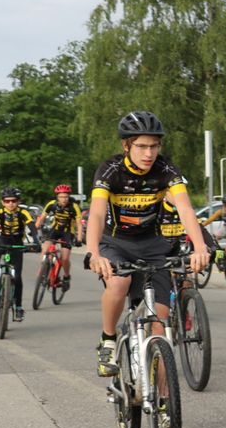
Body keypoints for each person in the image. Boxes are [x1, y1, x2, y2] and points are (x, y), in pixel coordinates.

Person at [86, 111, 210, 377]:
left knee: (159, 327)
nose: (149, 153)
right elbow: (96, 212)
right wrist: (94, 253)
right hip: (116, 243)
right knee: (119, 283)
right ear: (126, 145)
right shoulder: (110, 170)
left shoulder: (166, 170)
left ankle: (164, 406)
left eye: (154, 146)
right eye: (142, 146)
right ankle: (108, 338)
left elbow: (186, 209)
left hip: (155, 246)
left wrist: (200, 247)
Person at [0, 187, 39, 321]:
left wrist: (36, 241)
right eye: (7, 201)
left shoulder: (23, 213)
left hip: (17, 242)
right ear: (3, 202)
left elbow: (32, 227)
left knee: (17, 277)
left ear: (18, 201)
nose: (10, 203)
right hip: (4, 239)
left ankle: (18, 307)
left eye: (14, 201)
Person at [36, 183, 82, 289]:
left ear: (69, 197)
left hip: (68, 233)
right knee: (45, 250)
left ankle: (66, 277)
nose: (64, 199)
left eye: (66, 196)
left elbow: (79, 224)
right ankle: (44, 269)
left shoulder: (74, 206)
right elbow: (42, 217)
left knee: (65, 258)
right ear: (57, 197)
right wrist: (35, 228)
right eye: (61, 196)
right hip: (54, 230)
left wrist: (79, 239)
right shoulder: (52, 204)